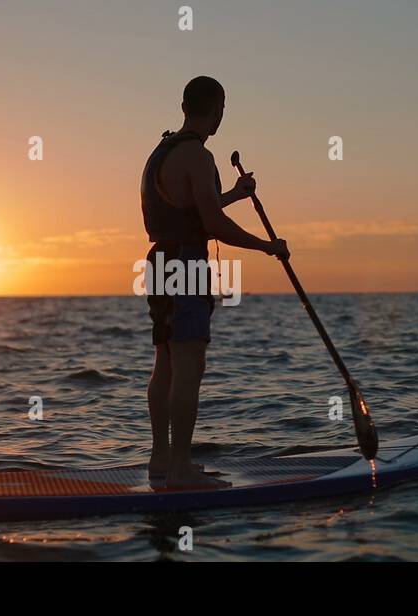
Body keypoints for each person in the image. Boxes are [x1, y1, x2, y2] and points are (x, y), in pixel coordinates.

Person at [141, 76, 289, 489]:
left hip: (159, 263)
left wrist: (236, 195)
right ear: (217, 108)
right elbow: (212, 225)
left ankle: (161, 460)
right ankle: (181, 469)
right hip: (187, 264)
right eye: (223, 108)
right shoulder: (199, 157)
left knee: (166, 364)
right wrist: (267, 246)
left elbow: (194, 210)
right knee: (190, 366)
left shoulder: (163, 151)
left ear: (184, 105)